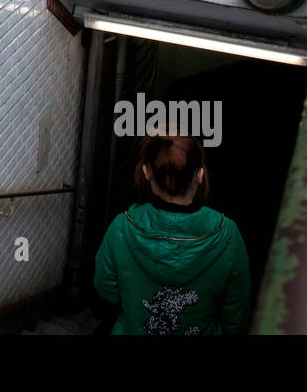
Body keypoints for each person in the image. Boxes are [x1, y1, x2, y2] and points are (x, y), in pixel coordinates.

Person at [94, 134, 251, 335]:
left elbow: (106, 292)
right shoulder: (228, 235)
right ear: (200, 175)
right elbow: (236, 314)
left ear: (147, 172)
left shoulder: (122, 227)